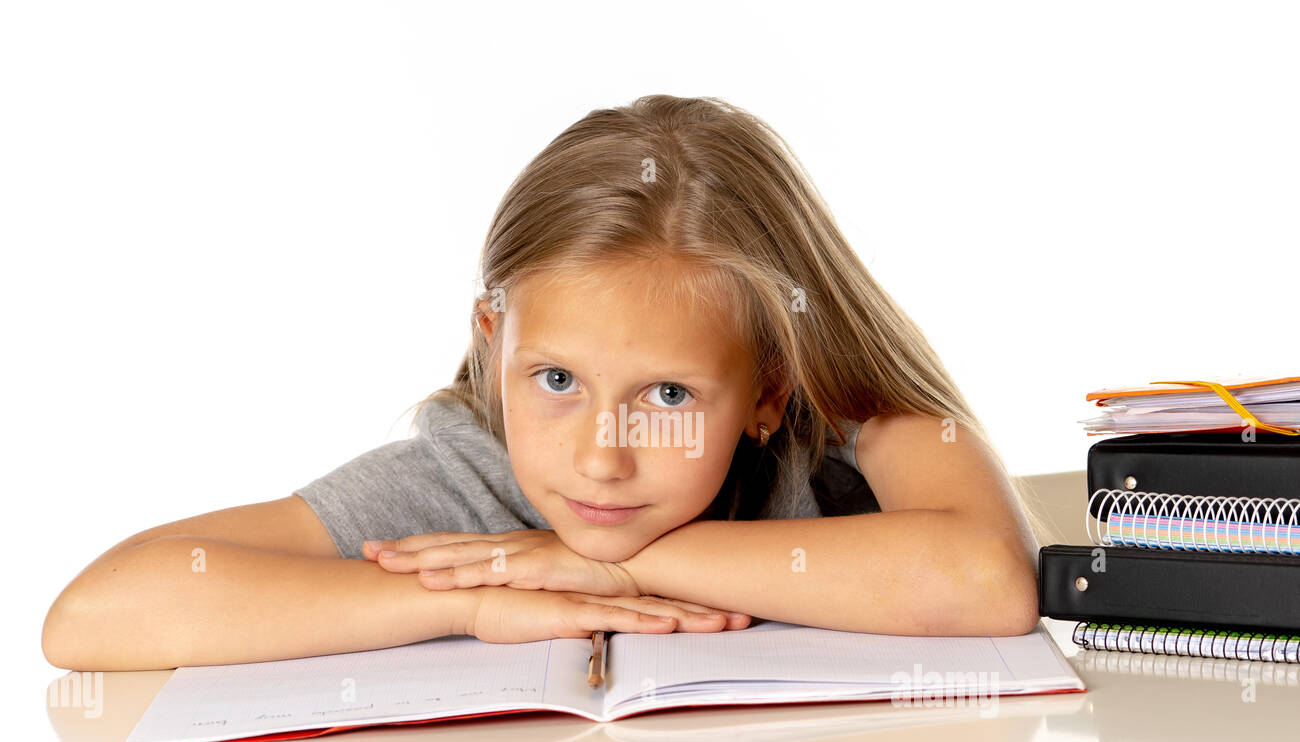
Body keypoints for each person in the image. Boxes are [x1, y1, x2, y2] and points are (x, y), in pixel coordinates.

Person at [42, 95, 1044, 672]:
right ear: (491, 345)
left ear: (771, 388)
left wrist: (620, 568)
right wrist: (471, 602)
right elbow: (93, 615)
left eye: (668, 397)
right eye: (557, 377)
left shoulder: (851, 415)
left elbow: (985, 581)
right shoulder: (469, 478)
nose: (600, 455)